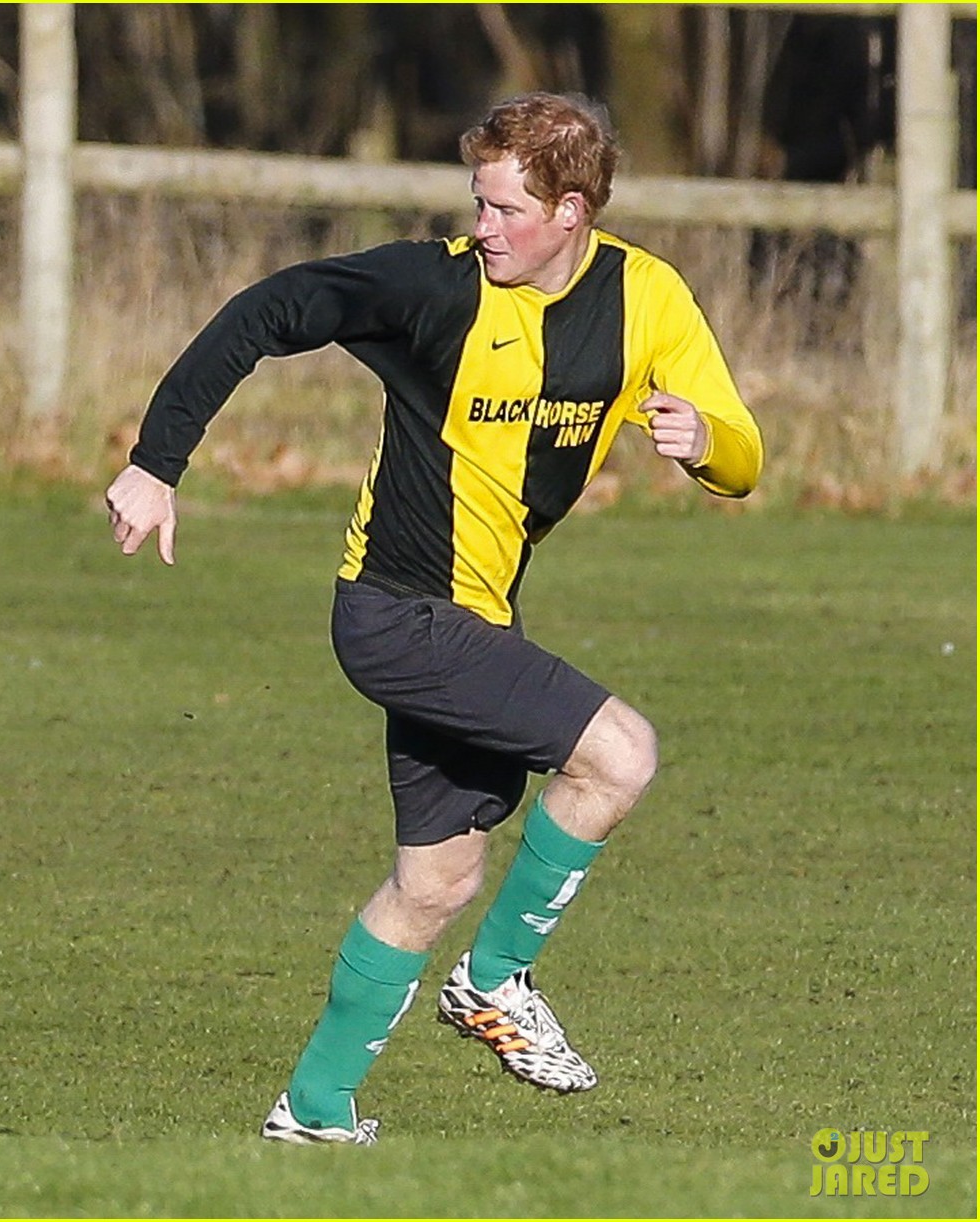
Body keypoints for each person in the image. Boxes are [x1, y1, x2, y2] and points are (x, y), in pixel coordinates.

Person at [106, 91, 763, 1146]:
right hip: (396, 612)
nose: (483, 227)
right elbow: (268, 309)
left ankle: (312, 1112)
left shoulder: (647, 296)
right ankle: (496, 980)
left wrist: (708, 442)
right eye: (478, 202)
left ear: (572, 211)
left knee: (437, 878)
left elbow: (741, 455)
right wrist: (155, 463)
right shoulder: (432, 286)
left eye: (506, 209)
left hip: (476, 617)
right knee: (621, 755)